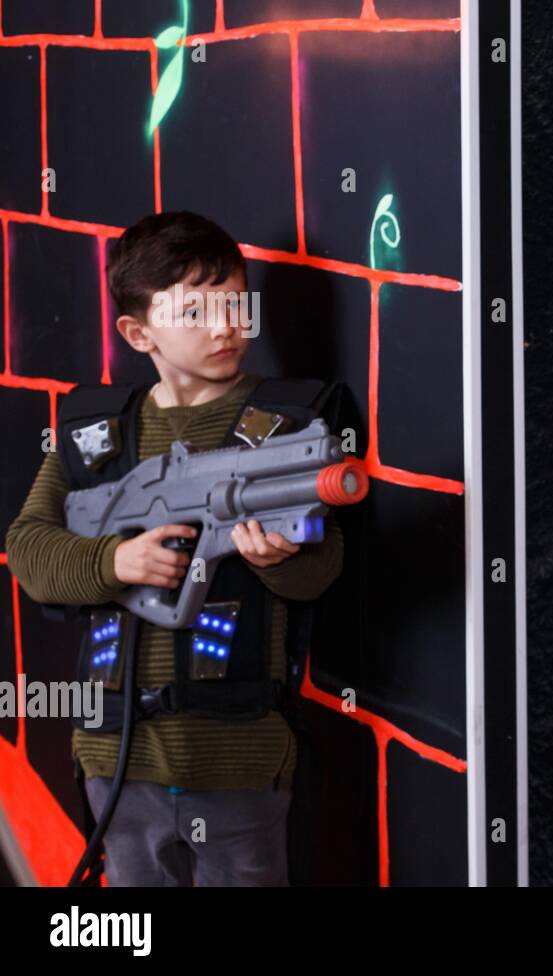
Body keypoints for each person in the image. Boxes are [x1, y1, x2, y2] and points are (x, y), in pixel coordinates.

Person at [5, 211, 347, 886]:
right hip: (118, 759)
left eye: (234, 302)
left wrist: (279, 562)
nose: (224, 325)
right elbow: (29, 549)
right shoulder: (94, 434)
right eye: (194, 310)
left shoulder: (289, 425)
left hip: (241, 755)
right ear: (138, 332)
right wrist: (114, 563)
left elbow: (324, 567)